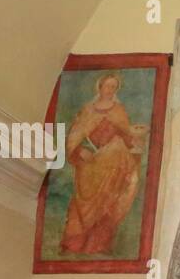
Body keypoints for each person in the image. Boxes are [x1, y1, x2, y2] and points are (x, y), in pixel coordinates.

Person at [60, 72, 144, 256]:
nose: (110, 89)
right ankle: (74, 244)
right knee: (82, 204)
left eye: (114, 87)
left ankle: (99, 246)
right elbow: (74, 136)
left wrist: (135, 141)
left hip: (113, 162)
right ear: (100, 87)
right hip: (90, 165)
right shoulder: (88, 110)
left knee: (108, 203)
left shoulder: (118, 110)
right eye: (107, 86)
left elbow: (126, 134)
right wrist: (80, 150)